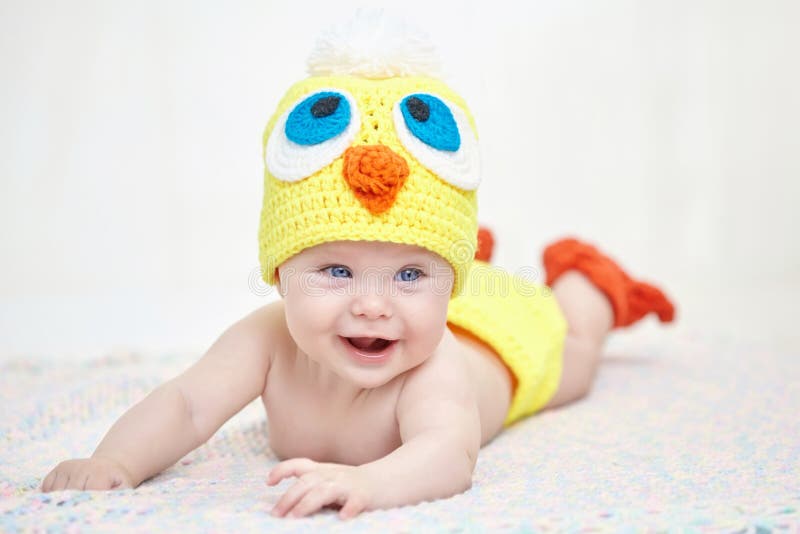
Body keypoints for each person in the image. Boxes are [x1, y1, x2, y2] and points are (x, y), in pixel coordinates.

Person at [40, 16, 675, 519]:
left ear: (445, 282)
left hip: (504, 339)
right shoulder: (265, 339)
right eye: (336, 271)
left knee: (577, 356)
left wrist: (367, 482)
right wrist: (115, 460)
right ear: (280, 270)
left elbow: (448, 454)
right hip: (450, 296)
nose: (370, 305)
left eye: (408, 273)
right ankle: (453, 258)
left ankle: (587, 281)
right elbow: (186, 405)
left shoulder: (434, 366)